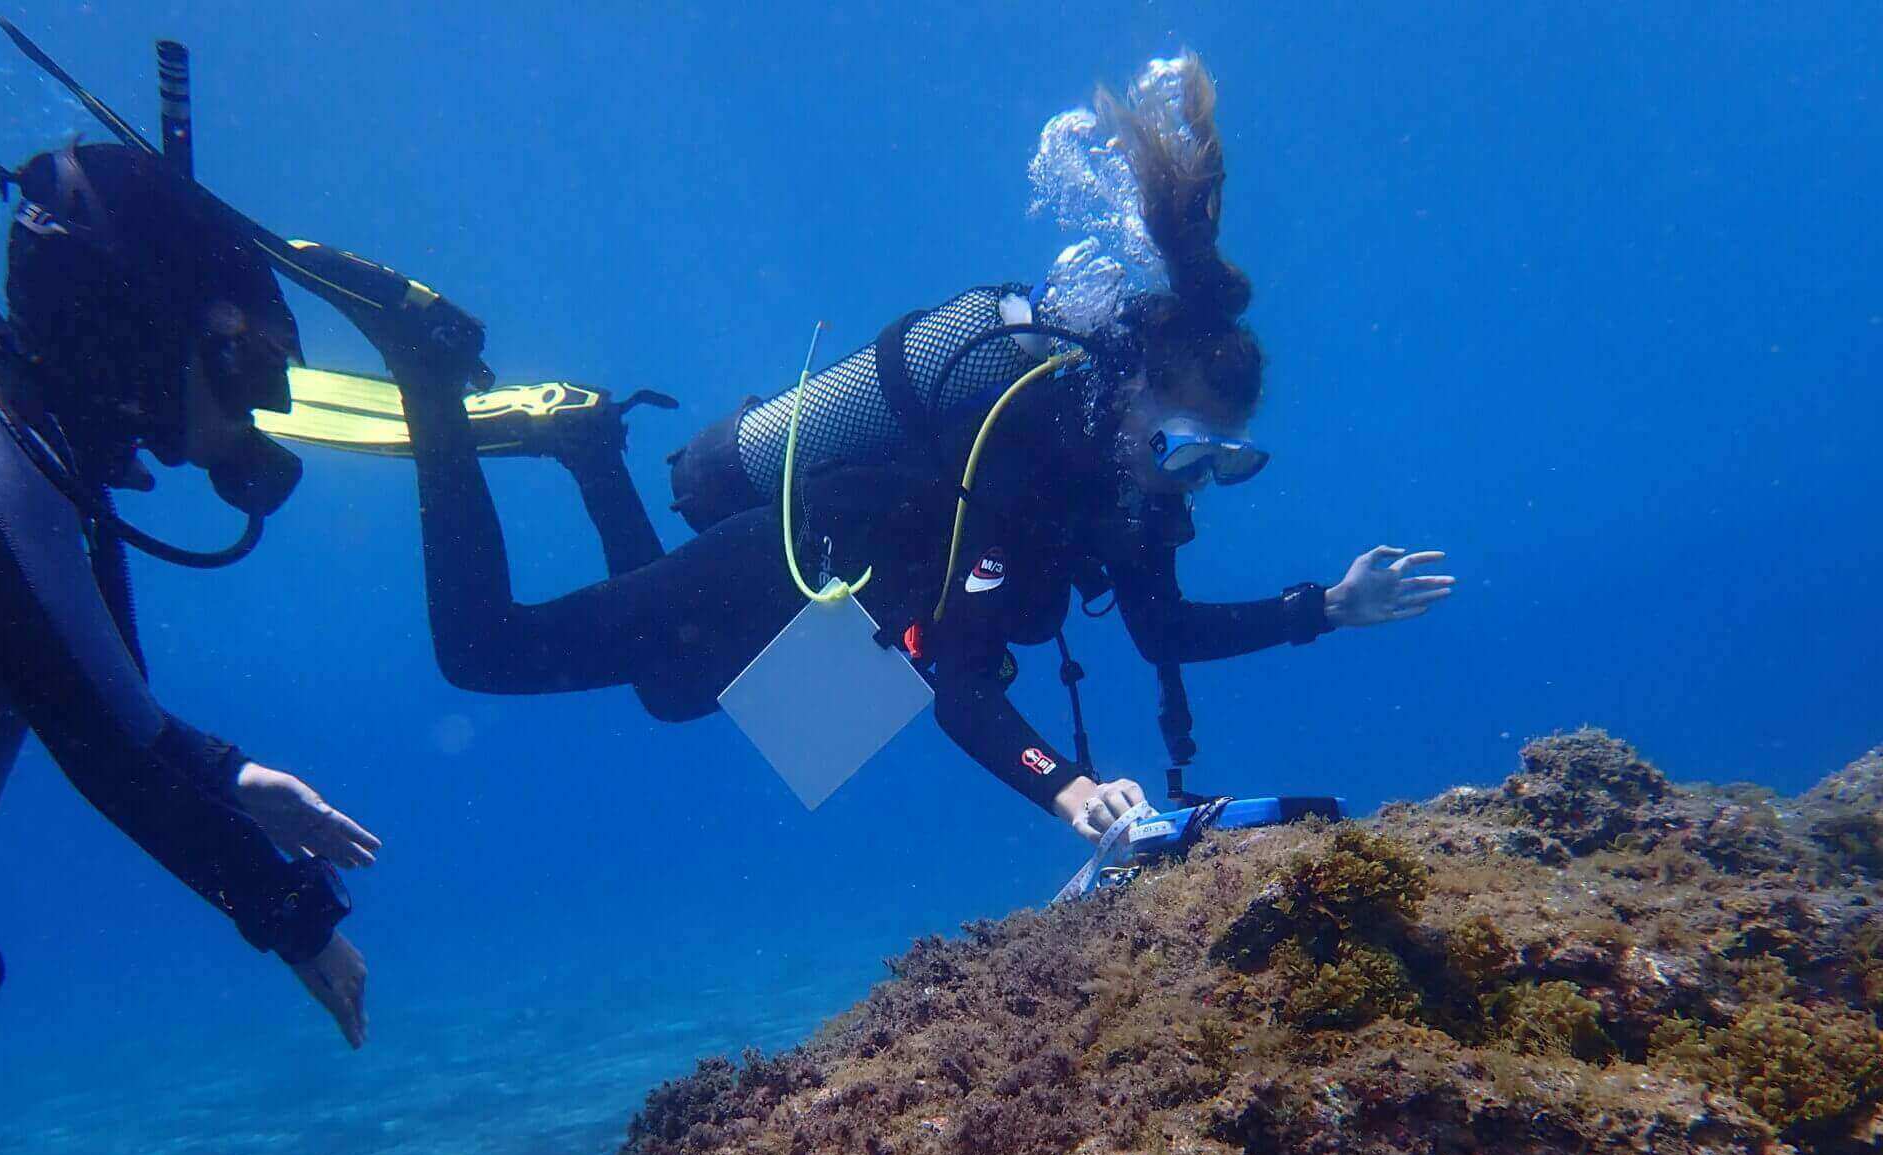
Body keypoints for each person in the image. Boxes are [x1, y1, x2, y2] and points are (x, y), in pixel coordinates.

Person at [329, 51, 1456, 844]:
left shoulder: (1127, 485)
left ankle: (586, 453)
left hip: (853, 611)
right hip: (791, 559)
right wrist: (1063, 789)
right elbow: (955, 670)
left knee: (671, 694)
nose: (1191, 481)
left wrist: (1326, 607)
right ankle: (424, 377)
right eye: (1187, 447)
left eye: (1221, 462)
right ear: (1123, 396)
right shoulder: (1029, 434)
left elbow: (1162, 630)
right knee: (488, 656)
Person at [0, 143, 377, 1046]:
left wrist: (234, 778)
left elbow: (103, 696)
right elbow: (94, 739)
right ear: (141, 338)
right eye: (248, 365)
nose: (268, 406)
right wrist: (296, 921)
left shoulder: (19, 444)